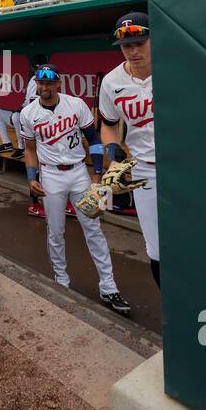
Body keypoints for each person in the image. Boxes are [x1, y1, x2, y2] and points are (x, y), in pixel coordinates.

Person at [20, 66, 131, 315]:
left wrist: (98, 173)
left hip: (80, 172)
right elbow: (29, 149)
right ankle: (62, 281)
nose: (44, 87)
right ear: (36, 84)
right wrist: (31, 177)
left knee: (95, 230)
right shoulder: (28, 113)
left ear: (58, 83)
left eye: (49, 83)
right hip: (50, 175)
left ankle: (109, 287)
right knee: (56, 232)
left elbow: (93, 139)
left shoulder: (76, 104)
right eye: (40, 83)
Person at [99, 12, 159, 287]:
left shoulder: (177, 66)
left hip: (187, 164)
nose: (133, 51)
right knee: (156, 248)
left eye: (140, 43)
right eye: (126, 46)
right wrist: (113, 154)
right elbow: (109, 125)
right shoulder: (112, 82)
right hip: (146, 170)